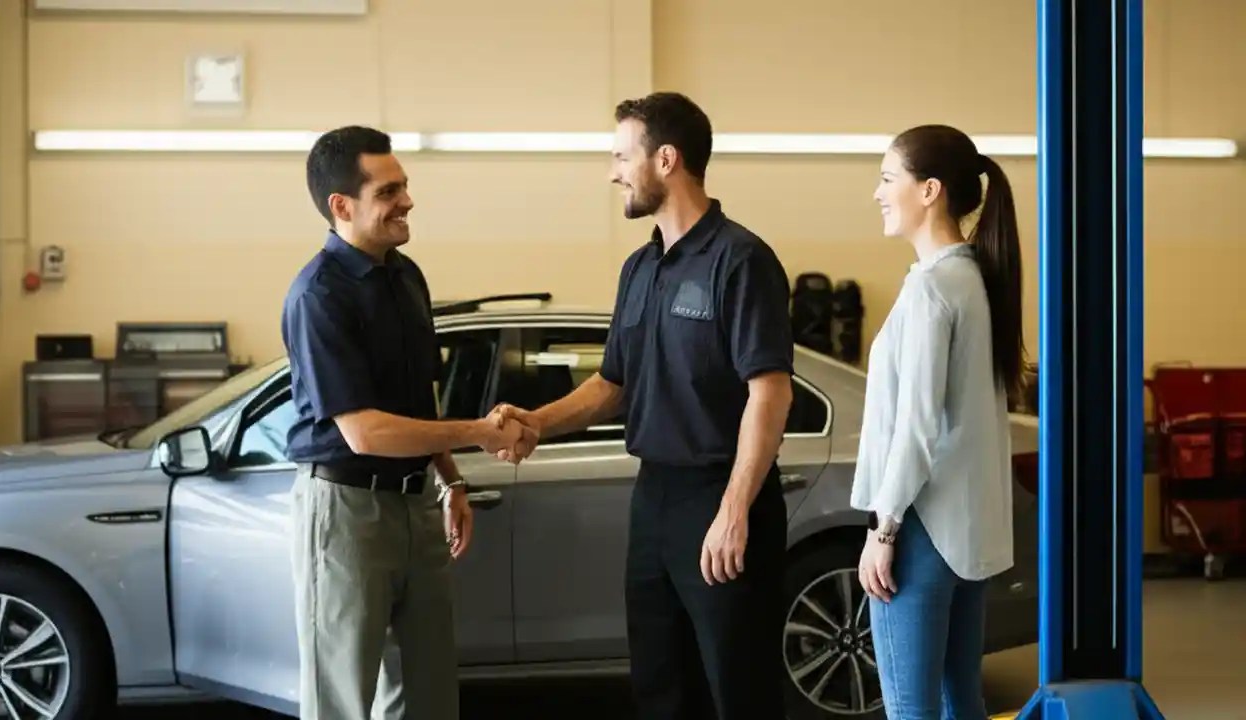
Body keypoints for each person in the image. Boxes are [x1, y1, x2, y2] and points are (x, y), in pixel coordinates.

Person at [488, 92, 795, 720]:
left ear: (666, 159)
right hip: (653, 497)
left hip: (720, 495)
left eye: (622, 156)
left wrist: (734, 509)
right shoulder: (640, 267)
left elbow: (770, 391)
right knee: (661, 684)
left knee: (738, 689)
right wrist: (534, 422)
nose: (613, 172)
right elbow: (613, 384)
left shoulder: (740, 260)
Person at [281, 125, 532, 720]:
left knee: (428, 693)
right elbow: (364, 432)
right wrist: (477, 432)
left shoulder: (406, 276)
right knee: (341, 697)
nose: (408, 201)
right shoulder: (318, 296)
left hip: (416, 503)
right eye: (389, 191)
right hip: (346, 513)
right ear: (342, 206)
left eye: (406, 186)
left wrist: (451, 480)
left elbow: (419, 395)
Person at [852, 124, 1025, 720]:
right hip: (963, 535)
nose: (876, 192)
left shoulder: (932, 289)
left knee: (911, 710)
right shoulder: (973, 279)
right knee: (960, 706)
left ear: (928, 191)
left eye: (886, 178)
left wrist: (884, 530)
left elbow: (917, 426)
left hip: (921, 527)